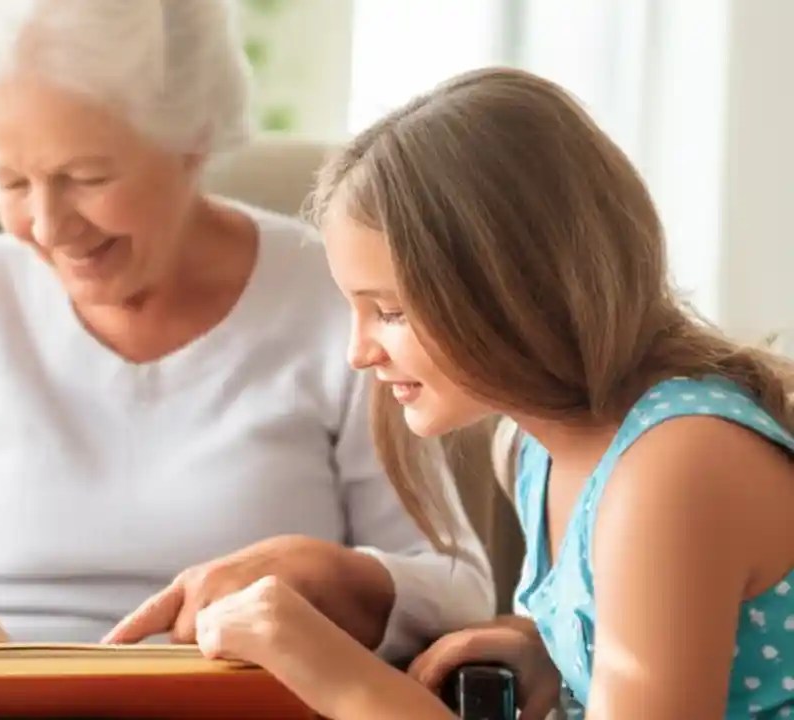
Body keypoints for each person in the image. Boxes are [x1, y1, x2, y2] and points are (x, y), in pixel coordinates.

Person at [0, 2, 495, 718]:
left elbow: (461, 588)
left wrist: (334, 578)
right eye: (11, 182)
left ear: (191, 139)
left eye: (86, 178)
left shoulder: (332, 295)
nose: (50, 223)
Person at [193, 66, 794, 720]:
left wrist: (334, 672)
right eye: (355, 310)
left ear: (513, 289)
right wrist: (544, 647)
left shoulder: (673, 468)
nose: (358, 352)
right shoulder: (531, 449)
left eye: (390, 312)